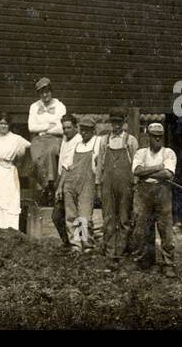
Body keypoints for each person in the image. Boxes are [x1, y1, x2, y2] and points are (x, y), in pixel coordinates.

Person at [131, 121, 177, 276]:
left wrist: (146, 172)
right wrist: (158, 167)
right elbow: (136, 171)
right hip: (144, 193)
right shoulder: (141, 153)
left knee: (165, 229)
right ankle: (146, 262)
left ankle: (168, 263)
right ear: (148, 137)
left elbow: (168, 174)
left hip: (162, 192)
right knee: (143, 228)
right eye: (154, 136)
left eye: (160, 137)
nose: (157, 139)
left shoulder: (169, 153)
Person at [98, 109, 138, 259]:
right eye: (113, 122)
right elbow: (100, 165)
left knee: (124, 218)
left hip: (125, 185)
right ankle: (109, 251)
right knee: (108, 217)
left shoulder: (130, 141)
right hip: (107, 184)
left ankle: (121, 251)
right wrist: (98, 184)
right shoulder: (104, 140)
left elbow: (136, 165)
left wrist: (135, 185)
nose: (116, 125)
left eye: (119, 122)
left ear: (124, 123)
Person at [59, 116, 100, 252]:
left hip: (86, 183)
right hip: (71, 183)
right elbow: (66, 166)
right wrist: (60, 186)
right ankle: (76, 245)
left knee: (83, 216)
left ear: (93, 130)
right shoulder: (77, 144)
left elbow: (100, 164)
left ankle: (86, 244)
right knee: (71, 216)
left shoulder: (97, 142)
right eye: (82, 130)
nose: (83, 133)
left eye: (87, 130)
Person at [27, 78, 66, 203]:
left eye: (47, 92)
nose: (45, 95)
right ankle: (45, 185)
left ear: (51, 91)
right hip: (39, 139)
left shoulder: (59, 106)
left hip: (55, 138)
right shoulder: (34, 106)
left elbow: (61, 128)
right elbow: (31, 127)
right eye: (41, 92)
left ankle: (51, 186)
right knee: (36, 157)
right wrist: (49, 125)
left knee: (51, 152)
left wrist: (47, 130)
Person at [51, 115, 79, 246]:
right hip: (63, 179)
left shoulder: (77, 140)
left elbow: (67, 166)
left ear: (75, 127)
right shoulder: (65, 139)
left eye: (69, 127)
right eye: (64, 128)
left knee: (79, 216)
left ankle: (81, 243)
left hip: (74, 181)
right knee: (58, 216)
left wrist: (60, 187)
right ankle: (68, 242)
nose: (66, 130)